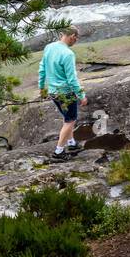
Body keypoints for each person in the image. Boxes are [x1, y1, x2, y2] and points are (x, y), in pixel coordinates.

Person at [38, 26, 87, 161]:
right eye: (76, 39)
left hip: (53, 92)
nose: (75, 42)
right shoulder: (68, 54)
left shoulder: (49, 47)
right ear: (72, 36)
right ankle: (58, 152)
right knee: (70, 121)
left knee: (67, 118)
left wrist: (41, 87)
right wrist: (81, 95)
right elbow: (72, 79)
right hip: (66, 93)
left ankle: (72, 144)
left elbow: (42, 69)